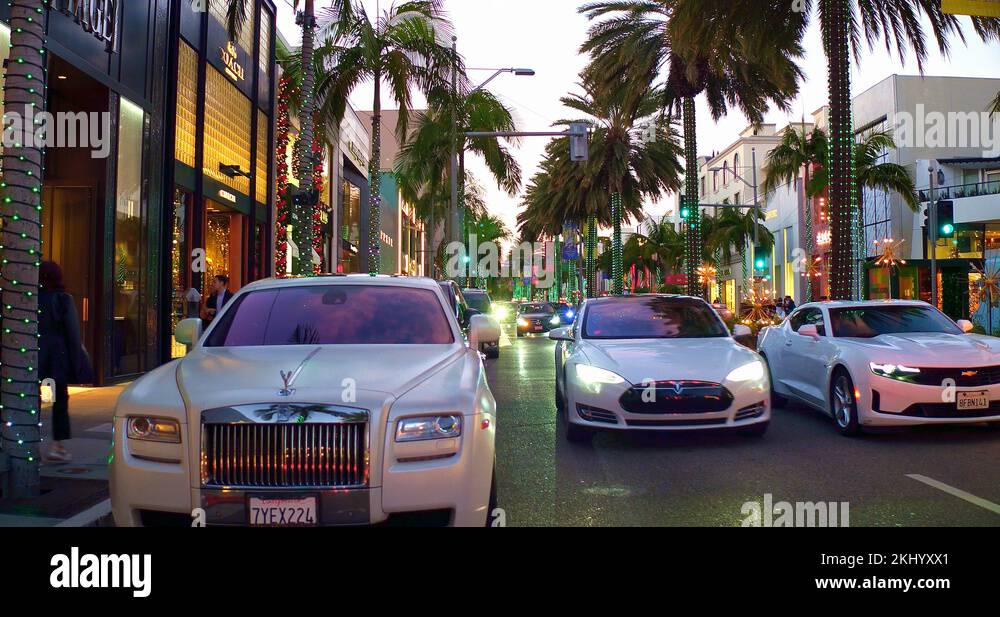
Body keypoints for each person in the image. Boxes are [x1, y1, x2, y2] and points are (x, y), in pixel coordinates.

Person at [39, 261, 88, 462]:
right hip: (57, 357)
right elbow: (73, 333)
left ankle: (30, 446)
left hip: (34, 356)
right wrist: (78, 361)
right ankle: (57, 446)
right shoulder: (62, 299)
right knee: (59, 401)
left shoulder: (31, 299)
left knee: (31, 400)